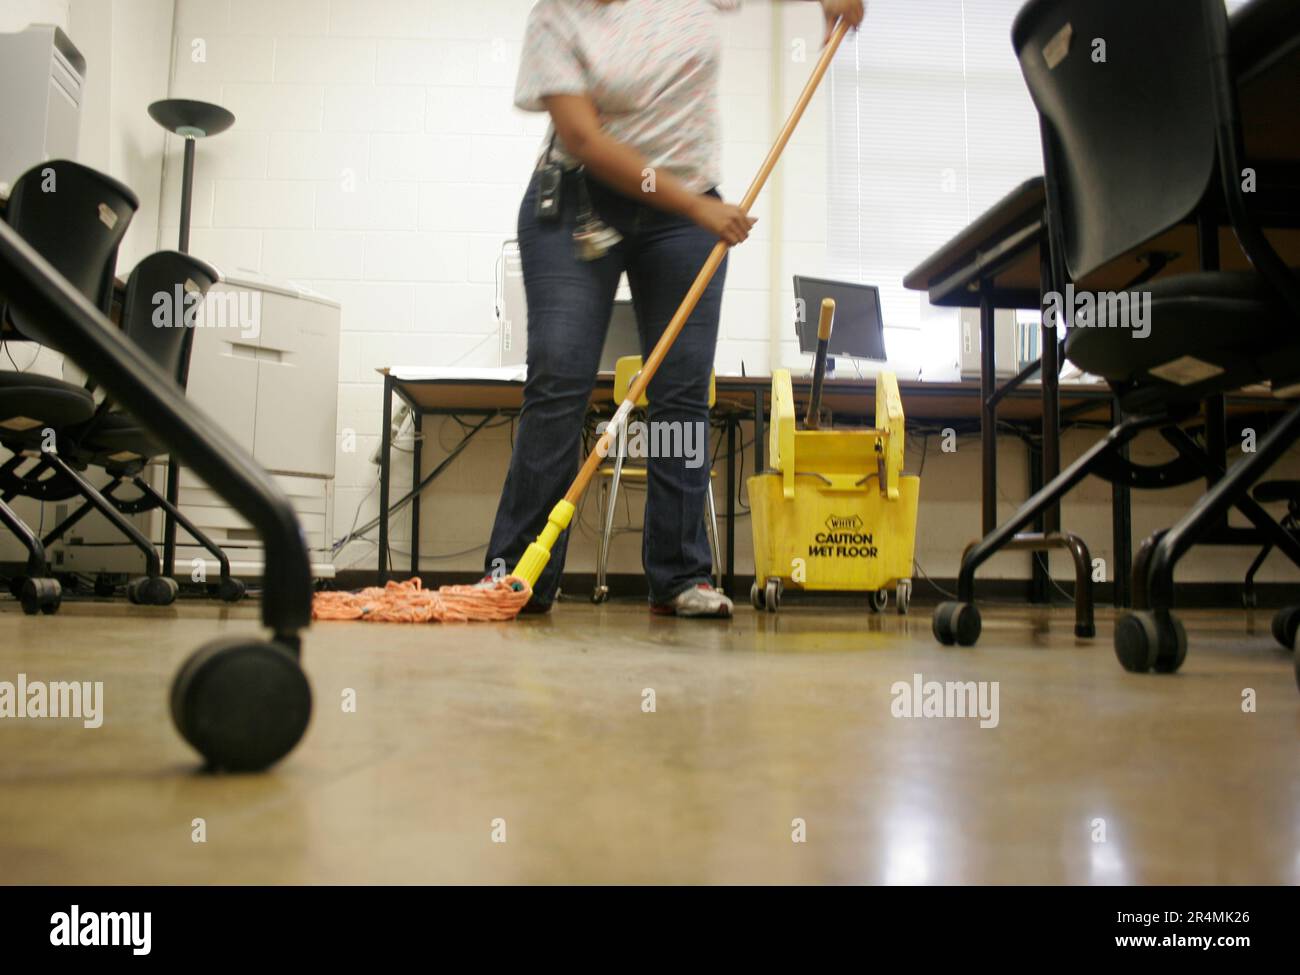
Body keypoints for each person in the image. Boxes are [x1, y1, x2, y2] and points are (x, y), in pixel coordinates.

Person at [485, 0, 865, 617]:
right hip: (581, 203)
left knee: (681, 392)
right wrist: (695, 206)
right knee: (559, 377)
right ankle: (515, 573)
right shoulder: (554, 16)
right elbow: (584, 138)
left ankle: (679, 575)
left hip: (684, 214)